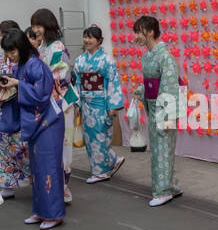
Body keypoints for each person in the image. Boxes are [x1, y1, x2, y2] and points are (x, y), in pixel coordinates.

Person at [0, 28, 64, 229]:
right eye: (7, 52)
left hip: (48, 122)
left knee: (48, 168)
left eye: (13, 51)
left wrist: (17, 84)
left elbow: (42, 95)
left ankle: (54, 214)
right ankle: (41, 210)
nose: (10, 56)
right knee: (37, 168)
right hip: (39, 122)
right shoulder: (25, 64)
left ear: (22, 47)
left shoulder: (36, 65)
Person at [28, 9, 78, 204]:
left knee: (63, 147)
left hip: (62, 104)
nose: (35, 30)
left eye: (38, 26)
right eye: (33, 26)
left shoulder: (56, 47)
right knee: (52, 147)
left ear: (48, 26)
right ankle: (55, 188)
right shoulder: (44, 49)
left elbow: (60, 76)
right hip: (50, 103)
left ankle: (63, 189)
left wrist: (37, 85)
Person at [134, 15, 182, 206]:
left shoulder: (165, 56)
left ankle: (163, 191)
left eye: (139, 32)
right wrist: (141, 90)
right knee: (158, 149)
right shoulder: (147, 56)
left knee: (163, 148)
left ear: (151, 31)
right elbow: (150, 83)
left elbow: (169, 86)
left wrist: (167, 116)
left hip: (164, 107)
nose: (136, 36)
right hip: (154, 106)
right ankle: (171, 185)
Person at [73, 24, 126, 183]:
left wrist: (112, 106)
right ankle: (112, 160)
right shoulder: (80, 60)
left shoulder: (106, 60)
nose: (87, 40)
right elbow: (76, 83)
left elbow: (112, 83)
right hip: (86, 102)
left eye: (90, 37)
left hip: (101, 102)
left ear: (99, 40)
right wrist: (76, 104)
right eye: (85, 36)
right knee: (90, 138)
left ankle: (101, 171)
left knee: (100, 136)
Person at [0, 19, 30, 197]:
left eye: (4, 33)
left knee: (24, 145)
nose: (1, 36)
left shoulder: (26, 59)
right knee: (4, 145)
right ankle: (7, 183)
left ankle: (32, 178)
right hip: (3, 106)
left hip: (22, 103)